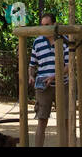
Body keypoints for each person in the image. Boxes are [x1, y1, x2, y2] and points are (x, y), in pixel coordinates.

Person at [28, 14, 70, 148]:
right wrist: (31, 75)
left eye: (47, 25)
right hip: (43, 86)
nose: (44, 28)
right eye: (42, 25)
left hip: (62, 84)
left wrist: (54, 76)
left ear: (54, 24)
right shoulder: (37, 42)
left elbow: (68, 65)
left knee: (65, 120)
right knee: (41, 120)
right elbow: (32, 64)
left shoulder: (65, 40)